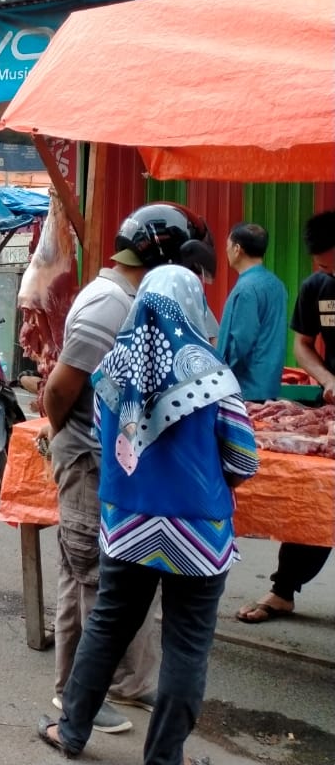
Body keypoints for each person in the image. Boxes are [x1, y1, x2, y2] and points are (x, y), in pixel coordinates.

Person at [37, 265, 258, 764]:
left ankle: (71, 732)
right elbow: (243, 460)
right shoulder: (214, 377)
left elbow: (107, 444)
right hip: (198, 536)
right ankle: (163, 759)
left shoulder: (112, 374)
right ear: (193, 306)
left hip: (127, 527)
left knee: (108, 628)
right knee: (187, 647)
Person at [38, 202, 214, 734]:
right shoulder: (109, 306)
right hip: (93, 461)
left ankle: (108, 689)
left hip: (102, 460)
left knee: (86, 577)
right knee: (93, 582)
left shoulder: (132, 300)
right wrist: (75, 439)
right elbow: (60, 391)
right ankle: (78, 700)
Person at [236, 209, 335, 624]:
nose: (327, 270)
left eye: (332, 262)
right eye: (324, 265)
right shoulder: (318, 287)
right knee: (317, 496)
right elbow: (303, 346)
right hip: (332, 409)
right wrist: (327, 377)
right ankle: (283, 591)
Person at [218, 222, 289, 403]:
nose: (226, 251)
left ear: (237, 249)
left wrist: (220, 377)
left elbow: (242, 340)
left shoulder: (246, 289)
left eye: (227, 246)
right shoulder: (277, 285)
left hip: (245, 391)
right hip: (269, 386)